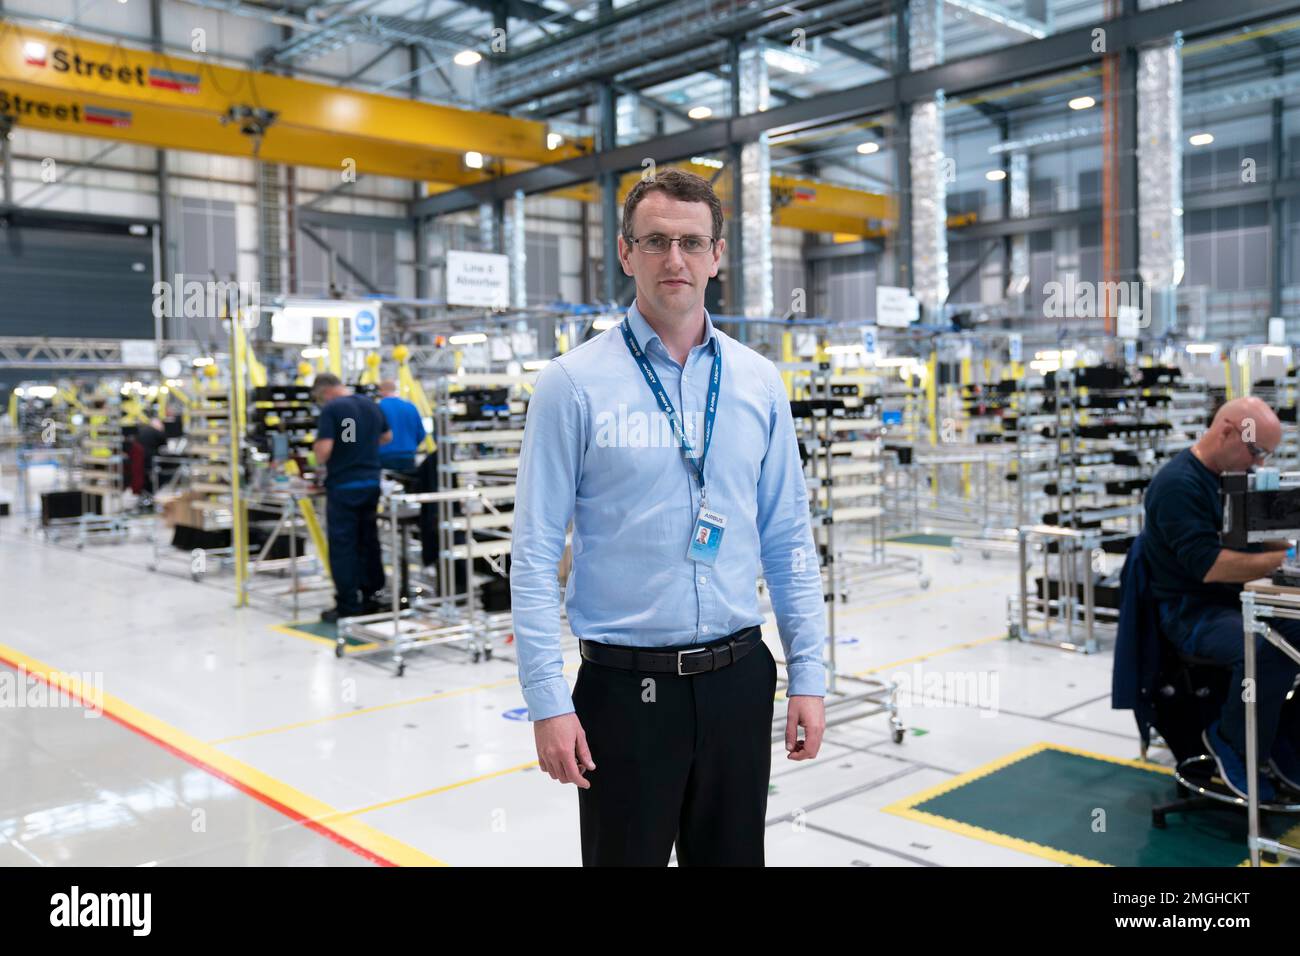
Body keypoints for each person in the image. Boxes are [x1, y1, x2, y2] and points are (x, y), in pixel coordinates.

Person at [510, 167, 827, 867]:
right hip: (624, 693)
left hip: (739, 678)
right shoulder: (572, 386)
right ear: (626, 254)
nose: (674, 259)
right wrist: (546, 700)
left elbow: (789, 539)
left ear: (718, 255)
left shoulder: (758, 383)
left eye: (691, 242)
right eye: (655, 241)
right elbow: (532, 554)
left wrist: (809, 674)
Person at [1144, 396, 1300, 800]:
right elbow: (1210, 565)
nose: (1259, 465)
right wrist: (1284, 559)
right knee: (1267, 647)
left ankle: (1280, 735)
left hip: (1235, 602)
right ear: (1227, 431)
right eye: (1256, 452)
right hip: (1191, 612)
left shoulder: (1232, 477)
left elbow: (1255, 536)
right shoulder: (1178, 485)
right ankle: (1232, 741)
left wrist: (1288, 543)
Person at [311, 373, 392, 623]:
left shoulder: (333, 408)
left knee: (343, 545)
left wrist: (320, 453)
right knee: (368, 540)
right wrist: (361, 446)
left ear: (324, 392)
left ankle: (348, 604)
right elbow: (387, 437)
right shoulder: (370, 404)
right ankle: (372, 595)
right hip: (371, 482)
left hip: (344, 485)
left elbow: (325, 450)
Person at [377, 379, 426, 474]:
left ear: (381, 391)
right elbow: (421, 433)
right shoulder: (410, 406)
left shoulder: (378, 407)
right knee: (409, 484)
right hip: (408, 456)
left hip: (385, 456)